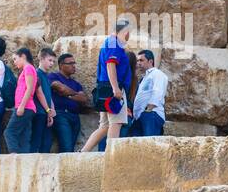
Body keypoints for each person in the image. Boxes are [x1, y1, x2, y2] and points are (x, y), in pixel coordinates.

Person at [81, 19, 132, 153]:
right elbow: (111, 65)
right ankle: (111, 154)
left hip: (105, 88)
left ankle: (83, 152)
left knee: (104, 126)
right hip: (113, 89)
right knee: (116, 122)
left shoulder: (111, 43)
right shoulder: (113, 43)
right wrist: (115, 88)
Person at [49, 52, 88, 153]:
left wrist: (69, 94)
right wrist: (75, 95)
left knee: (70, 147)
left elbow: (83, 99)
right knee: (66, 147)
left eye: (74, 63)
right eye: (70, 63)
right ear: (61, 65)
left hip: (74, 117)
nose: (73, 66)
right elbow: (60, 88)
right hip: (60, 115)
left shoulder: (76, 84)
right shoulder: (53, 76)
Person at [4, 47, 39, 154]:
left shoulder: (28, 68)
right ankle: (24, 158)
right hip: (27, 107)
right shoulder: (28, 69)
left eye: (15, 59)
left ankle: (14, 156)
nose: (14, 62)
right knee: (24, 135)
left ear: (23, 56)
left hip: (25, 107)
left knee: (9, 132)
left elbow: (30, 88)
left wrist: (22, 106)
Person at [127, 49, 168, 137]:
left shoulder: (157, 74)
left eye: (141, 60)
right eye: (137, 61)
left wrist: (147, 111)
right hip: (139, 118)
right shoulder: (144, 78)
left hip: (150, 115)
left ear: (150, 61)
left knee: (149, 144)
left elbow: (157, 93)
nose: (138, 63)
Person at [31, 49, 58, 153]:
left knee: (46, 142)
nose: (51, 63)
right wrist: (48, 111)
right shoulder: (37, 74)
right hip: (39, 112)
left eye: (53, 61)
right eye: (50, 60)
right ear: (41, 59)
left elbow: (48, 95)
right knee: (36, 142)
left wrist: (52, 110)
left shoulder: (46, 76)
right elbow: (39, 94)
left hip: (46, 113)